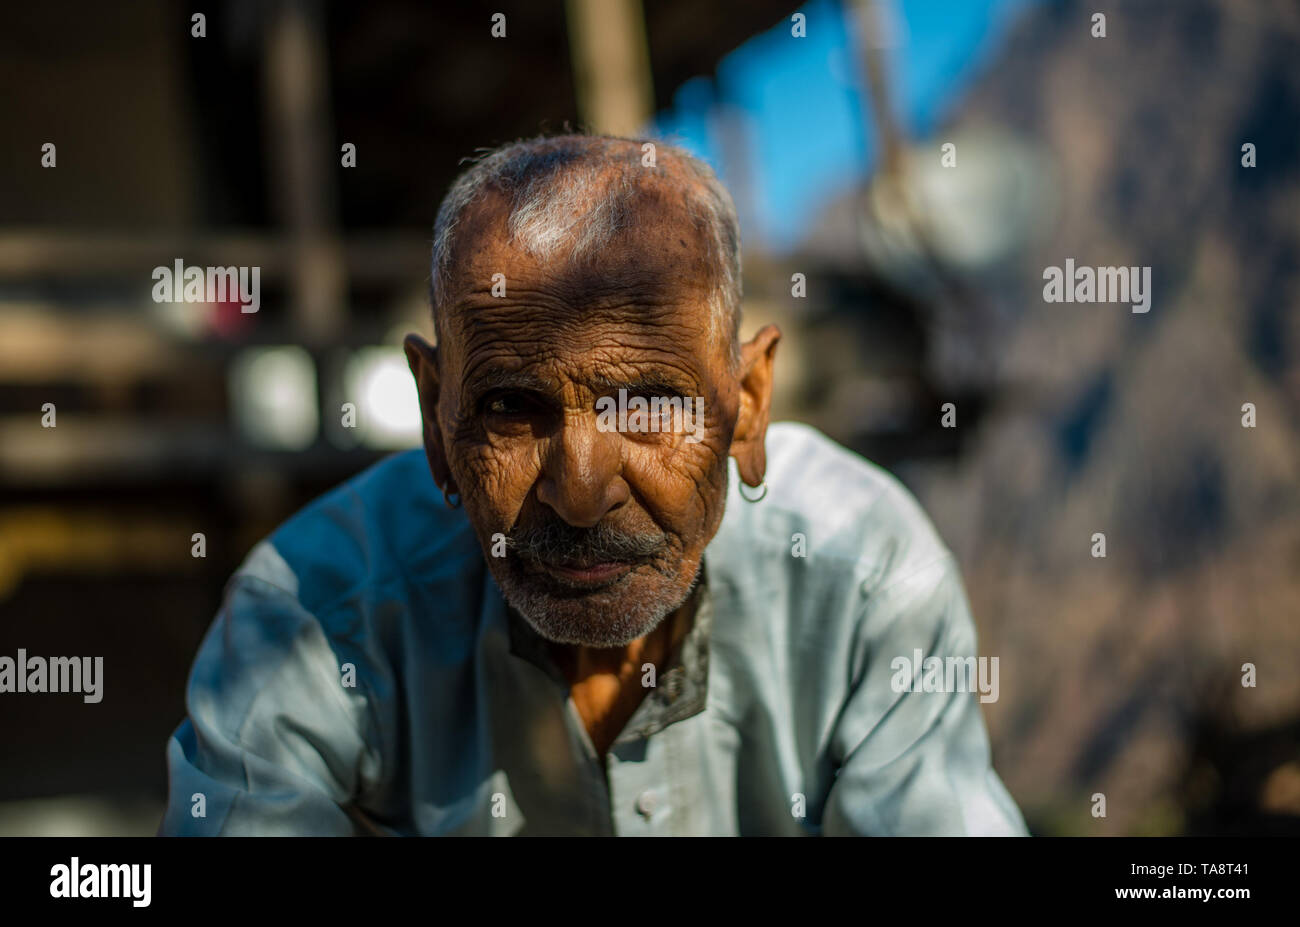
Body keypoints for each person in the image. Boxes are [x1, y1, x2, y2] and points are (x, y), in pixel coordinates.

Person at [160, 134, 1027, 836]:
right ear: (436, 416)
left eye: (649, 403)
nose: (579, 492)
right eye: (509, 406)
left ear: (750, 403)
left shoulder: (864, 573)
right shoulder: (312, 613)